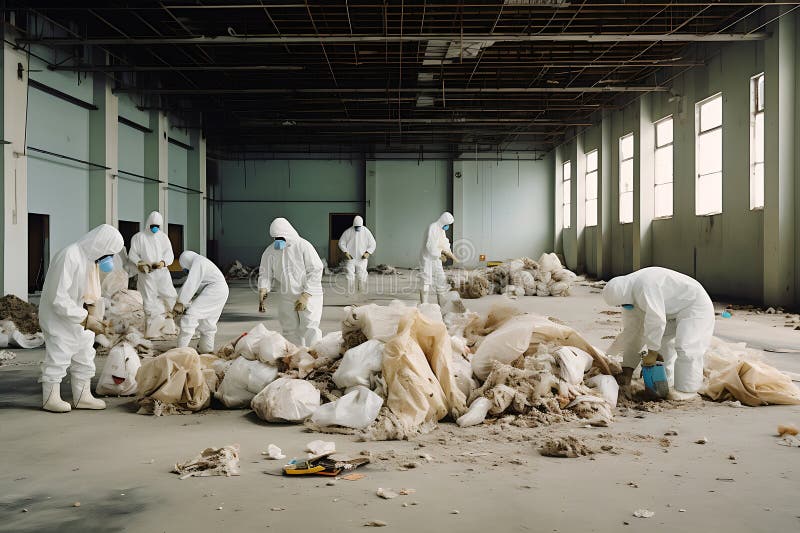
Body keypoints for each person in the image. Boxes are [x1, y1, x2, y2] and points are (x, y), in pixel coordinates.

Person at [39, 224, 124, 413]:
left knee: (85, 351)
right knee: (59, 354)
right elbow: (58, 298)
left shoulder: (90, 260)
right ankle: (50, 398)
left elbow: (90, 293)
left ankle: (82, 396)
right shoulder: (70, 255)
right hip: (57, 316)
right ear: (101, 244)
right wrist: (86, 319)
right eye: (109, 252)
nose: (109, 258)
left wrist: (94, 317)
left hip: (76, 314)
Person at [602, 266, 715, 401]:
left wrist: (652, 351)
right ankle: (666, 385)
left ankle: (688, 391)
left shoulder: (645, 285)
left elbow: (656, 319)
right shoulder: (628, 298)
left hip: (694, 305)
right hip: (671, 311)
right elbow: (633, 333)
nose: (624, 307)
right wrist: (628, 367)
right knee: (663, 346)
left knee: (687, 346)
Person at [258, 218, 324, 347]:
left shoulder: (303, 246)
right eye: (275, 238)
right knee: (289, 329)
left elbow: (316, 269)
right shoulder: (270, 251)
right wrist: (263, 288)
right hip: (286, 295)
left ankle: (315, 358)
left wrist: (306, 295)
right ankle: (295, 358)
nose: (278, 241)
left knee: (310, 328)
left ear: (288, 234)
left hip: (309, 295)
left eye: (280, 237)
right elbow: (265, 273)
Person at [128, 211, 177, 337]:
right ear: (148, 224)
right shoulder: (139, 237)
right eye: (152, 225)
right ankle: (150, 329)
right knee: (148, 300)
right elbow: (132, 253)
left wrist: (163, 263)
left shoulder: (163, 237)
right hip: (147, 275)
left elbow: (169, 253)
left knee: (170, 296)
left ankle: (170, 324)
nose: (155, 228)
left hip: (162, 274)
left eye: (157, 226)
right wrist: (140, 263)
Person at [172, 251, 229, 354]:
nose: (186, 271)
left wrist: (180, 303)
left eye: (185, 269)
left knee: (190, 316)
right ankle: (206, 349)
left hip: (215, 290)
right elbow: (195, 286)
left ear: (186, 262)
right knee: (208, 323)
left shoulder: (198, 263)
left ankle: (180, 350)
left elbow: (191, 284)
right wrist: (185, 301)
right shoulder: (201, 262)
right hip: (222, 290)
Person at [419, 211, 456, 304]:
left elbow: (444, 242)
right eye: (448, 224)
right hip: (427, 258)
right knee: (426, 280)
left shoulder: (441, 230)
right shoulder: (433, 228)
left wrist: (449, 252)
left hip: (436, 258)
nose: (448, 226)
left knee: (441, 277)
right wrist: (440, 254)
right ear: (443, 221)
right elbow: (430, 246)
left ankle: (441, 303)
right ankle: (424, 304)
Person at [338, 215, 376, 295]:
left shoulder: (366, 231)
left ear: (361, 225)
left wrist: (368, 252)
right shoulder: (348, 231)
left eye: (359, 227)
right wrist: (346, 252)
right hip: (350, 258)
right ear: (353, 225)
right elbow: (341, 242)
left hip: (362, 258)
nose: (357, 229)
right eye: (356, 227)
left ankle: (361, 290)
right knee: (349, 274)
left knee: (362, 274)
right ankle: (350, 291)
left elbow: (373, 244)